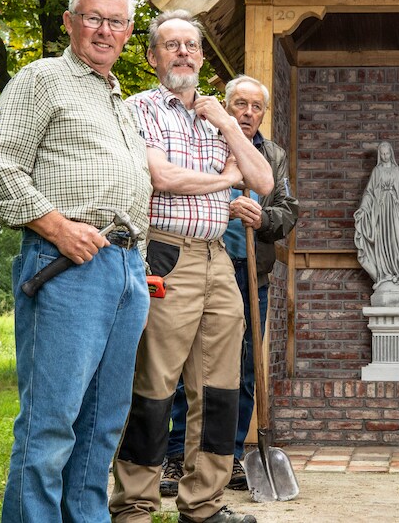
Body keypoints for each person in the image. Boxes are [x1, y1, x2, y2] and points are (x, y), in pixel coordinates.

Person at [0, 0, 152, 523]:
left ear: (127, 31)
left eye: (116, 21)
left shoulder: (118, 99)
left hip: (124, 268)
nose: (104, 30)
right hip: (65, 265)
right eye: (93, 18)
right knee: (51, 422)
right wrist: (57, 227)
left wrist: (135, 263)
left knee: (102, 423)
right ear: (70, 21)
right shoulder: (43, 77)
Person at [109, 11, 272, 523]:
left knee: (220, 388)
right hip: (165, 251)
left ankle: (202, 504)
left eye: (191, 46)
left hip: (216, 258)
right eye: (171, 45)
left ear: (202, 57)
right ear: (153, 56)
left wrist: (227, 124)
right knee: (154, 383)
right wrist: (225, 179)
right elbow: (162, 177)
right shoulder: (140, 109)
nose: (183, 53)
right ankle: (134, 503)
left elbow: (263, 181)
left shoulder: (215, 117)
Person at [160, 74, 299, 496]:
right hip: (198, 264)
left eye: (257, 107)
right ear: (225, 104)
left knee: (241, 370)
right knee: (187, 364)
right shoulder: (204, 139)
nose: (249, 113)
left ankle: (232, 455)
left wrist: (264, 219)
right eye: (241, 104)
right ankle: (175, 457)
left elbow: (288, 212)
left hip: (250, 274)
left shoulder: (270, 154)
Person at [354, 141, 399, 306]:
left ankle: (398, 273)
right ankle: (385, 276)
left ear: (391, 154)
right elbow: (369, 193)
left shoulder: (397, 171)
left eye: (387, 154)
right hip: (380, 214)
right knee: (383, 242)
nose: (385, 156)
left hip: (396, 213)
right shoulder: (377, 171)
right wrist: (363, 209)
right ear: (380, 155)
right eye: (383, 154)